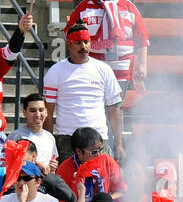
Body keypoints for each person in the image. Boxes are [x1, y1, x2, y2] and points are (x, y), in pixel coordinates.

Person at [42, 28, 125, 162]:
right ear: (68, 44)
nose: (83, 47)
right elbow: (48, 113)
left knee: (100, 181)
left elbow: (114, 110)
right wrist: (48, 145)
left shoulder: (104, 69)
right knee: (68, 182)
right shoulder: (55, 71)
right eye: (78, 43)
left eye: (86, 42)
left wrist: (119, 144)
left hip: (98, 138)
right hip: (67, 139)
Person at [65, 0, 149, 89]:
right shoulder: (84, 7)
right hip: (92, 65)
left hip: (122, 66)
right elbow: (68, 33)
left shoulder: (129, 7)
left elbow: (141, 39)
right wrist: (79, 34)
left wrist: (142, 64)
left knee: (115, 106)